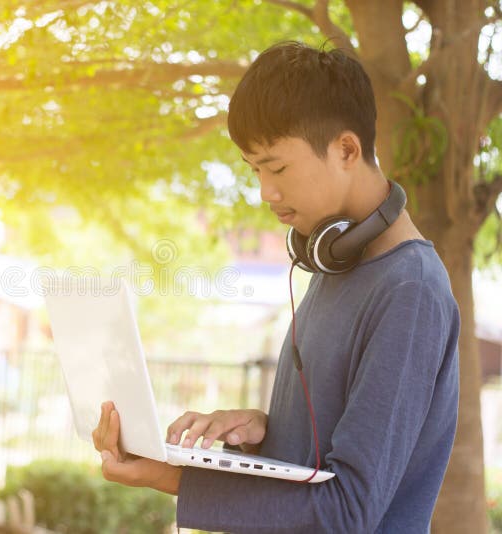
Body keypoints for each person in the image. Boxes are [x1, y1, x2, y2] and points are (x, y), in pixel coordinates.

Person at [91, 41, 460, 533]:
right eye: (255, 170)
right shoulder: (336, 263)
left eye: (278, 167)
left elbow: (347, 511)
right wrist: (262, 437)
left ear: (346, 150)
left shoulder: (409, 291)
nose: (266, 191)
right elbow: (320, 462)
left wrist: (174, 477)